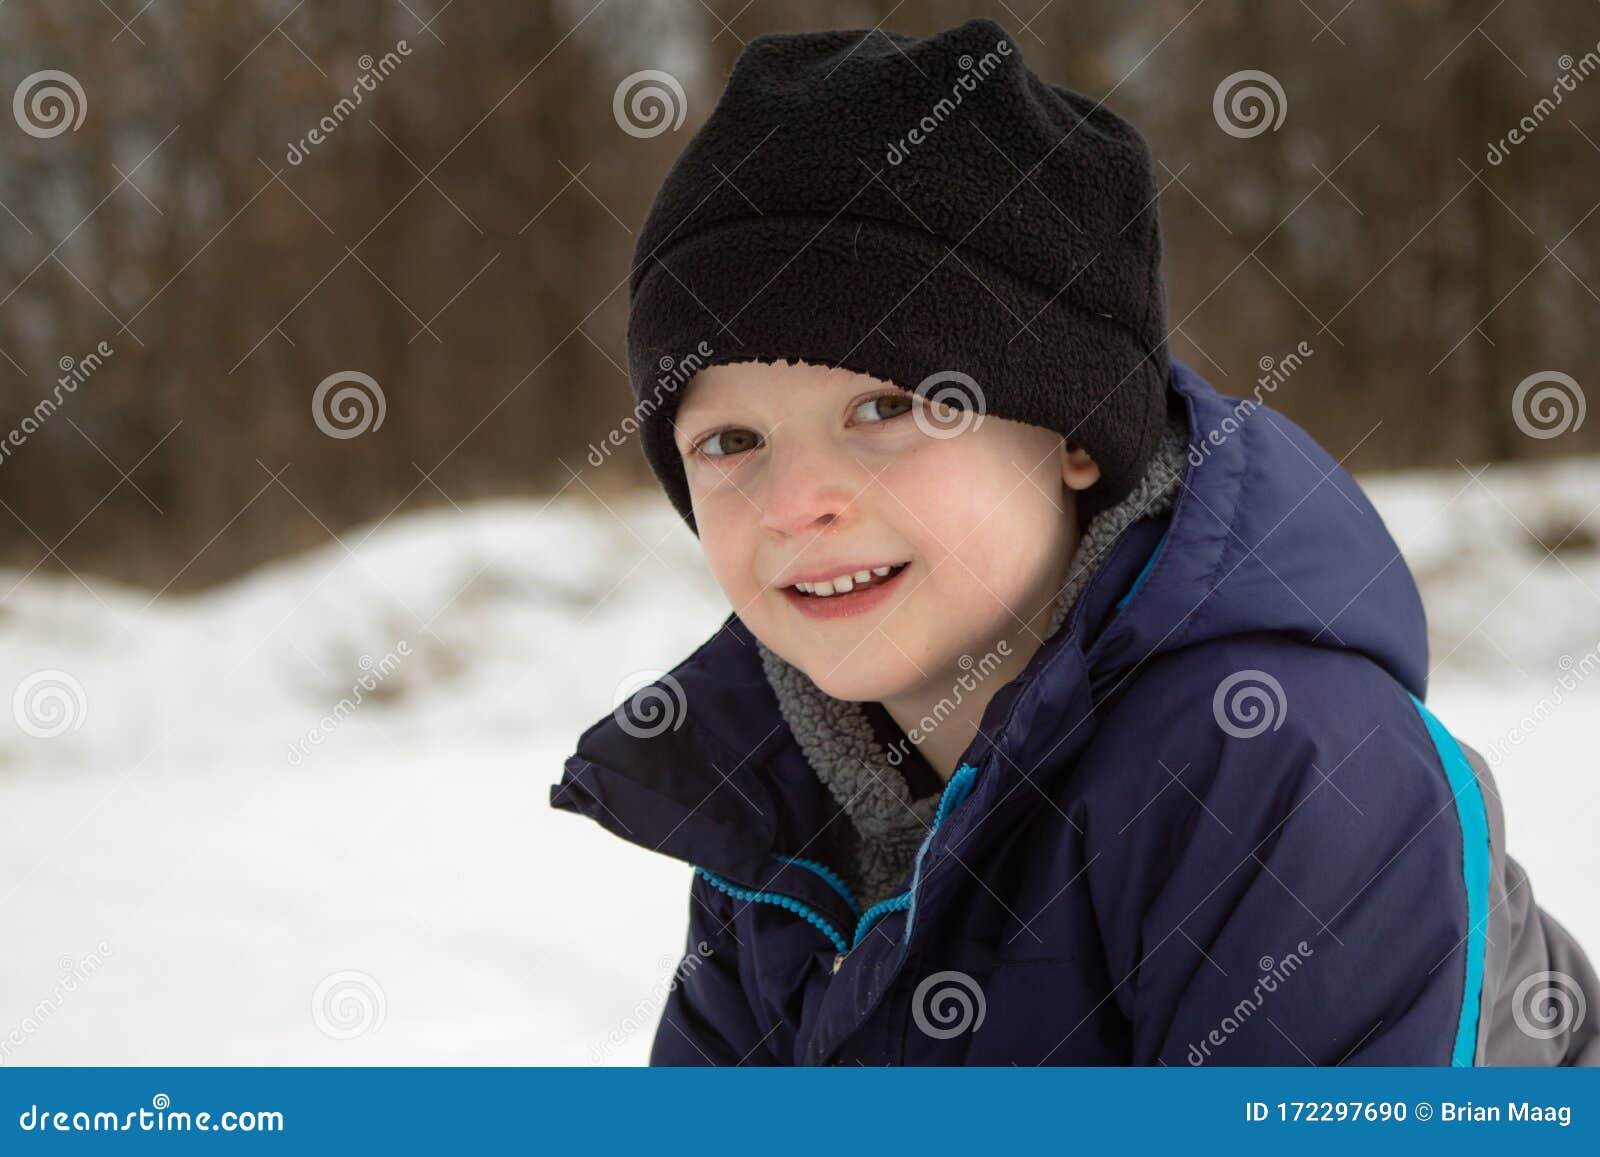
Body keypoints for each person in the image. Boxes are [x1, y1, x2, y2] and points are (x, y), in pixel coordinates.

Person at [550, 17, 1598, 1066]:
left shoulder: (1276, 761)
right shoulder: (769, 808)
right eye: (731, 440)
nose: (793, 502)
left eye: (884, 408)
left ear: (1073, 437)